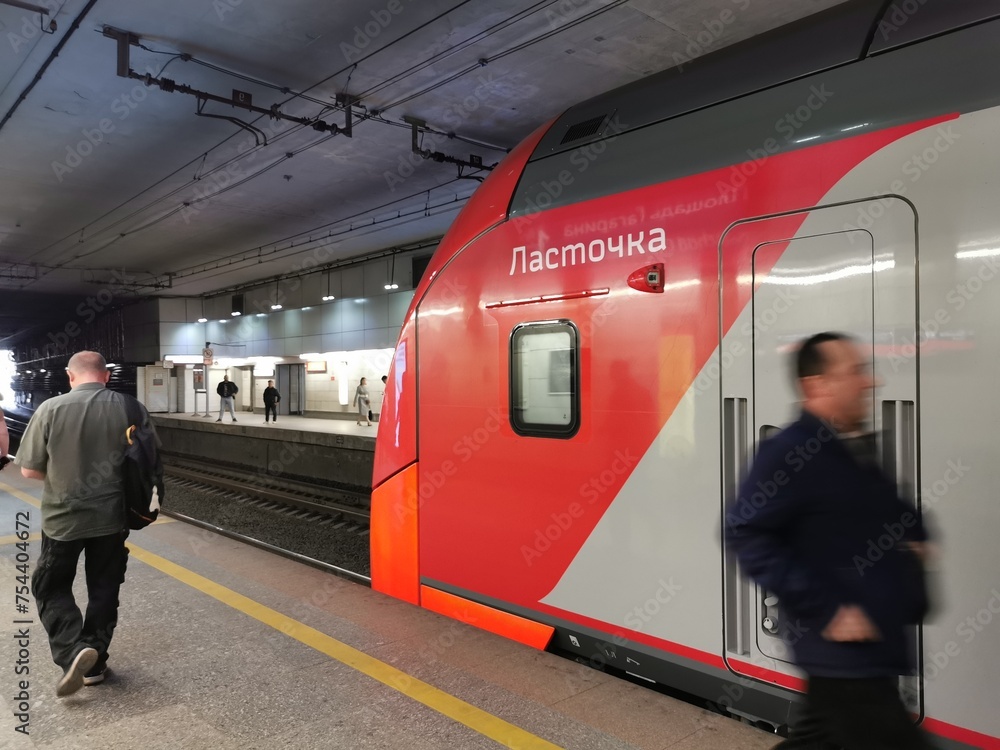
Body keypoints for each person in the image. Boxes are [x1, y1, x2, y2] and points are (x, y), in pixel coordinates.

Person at [725, 332, 933, 750]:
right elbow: (744, 531)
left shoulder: (849, 447)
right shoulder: (788, 452)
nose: (869, 382)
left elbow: (892, 513)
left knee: (822, 738)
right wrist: (828, 609)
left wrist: (918, 538)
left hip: (871, 643)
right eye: (856, 372)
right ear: (817, 384)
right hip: (842, 649)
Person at [17, 351, 156, 696]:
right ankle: (95, 664)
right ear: (106, 375)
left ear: (70, 375)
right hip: (112, 519)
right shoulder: (132, 408)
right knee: (105, 588)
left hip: (62, 519)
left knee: (49, 587)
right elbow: (149, 462)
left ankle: (73, 649)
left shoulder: (50, 408)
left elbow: (29, 470)